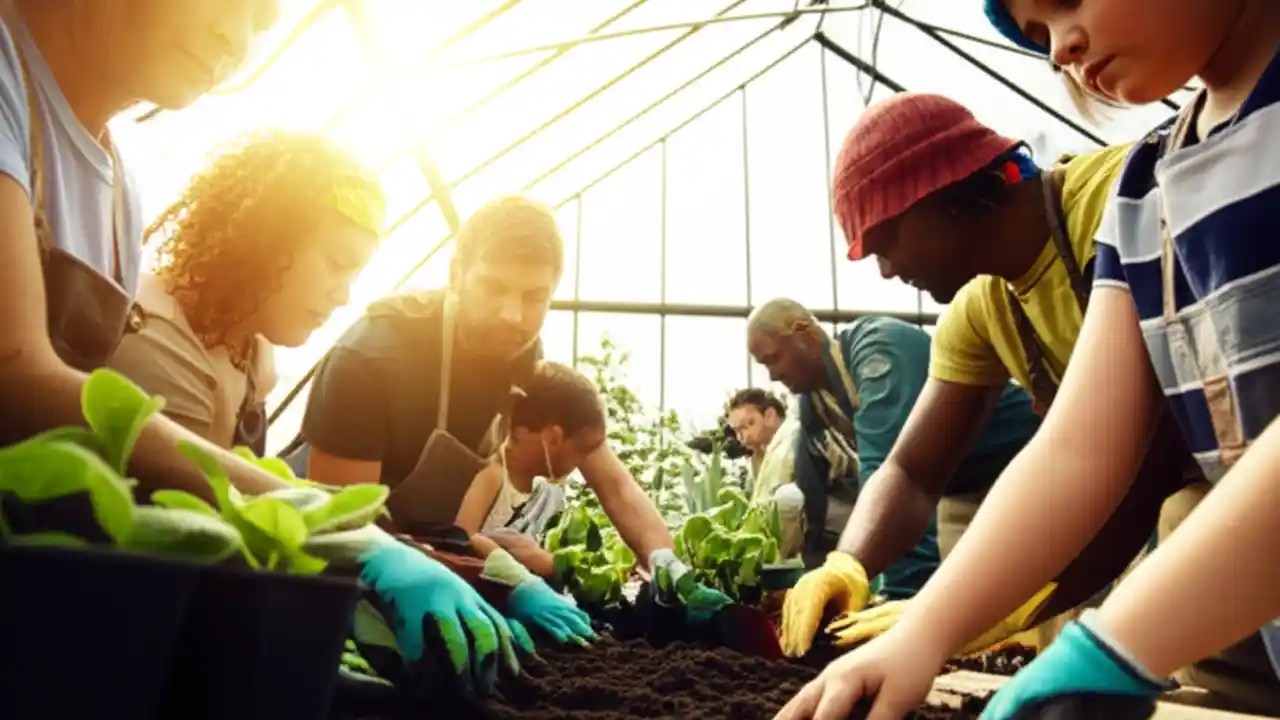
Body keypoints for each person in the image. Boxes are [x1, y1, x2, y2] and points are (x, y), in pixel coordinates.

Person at [0, 1, 534, 695]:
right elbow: (19, 375)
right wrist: (340, 536)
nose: (238, 37)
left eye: (262, 19)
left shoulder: (116, 181)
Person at [775, 0, 1280, 717]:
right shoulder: (1145, 190)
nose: (1058, 51)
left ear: (942, 190)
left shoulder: (1104, 193)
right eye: (1037, 32)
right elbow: (1068, 452)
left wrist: (1101, 639)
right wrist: (907, 609)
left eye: (1066, 1)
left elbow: (1145, 467)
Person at [777, 93, 1199, 666]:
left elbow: (1146, 453)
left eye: (887, 240)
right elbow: (912, 471)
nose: (887, 269)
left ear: (943, 190)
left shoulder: (1119, 203)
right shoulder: (982, 307)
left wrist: (978, 604)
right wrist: (847, 565)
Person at [297, 195, 734, 621]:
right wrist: (505, 580)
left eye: (534, 296)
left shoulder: (517, 355)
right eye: (493, 287)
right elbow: (337, 530)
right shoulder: (373, 359)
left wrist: (666, 563)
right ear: (456, 274)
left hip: (424, 570)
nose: (513, 314)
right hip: (323, 578)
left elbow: (611, 479)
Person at [746, 298, 1040, 614]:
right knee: (972, 616)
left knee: (1038, 608)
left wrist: (901, 600)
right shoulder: (815, 405)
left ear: (804, 334)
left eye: (773, 359)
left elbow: (895, 477)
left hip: (1029, 469)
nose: (772, 376)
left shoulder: (878, 351)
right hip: (959, 489)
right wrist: (821, 587)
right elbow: (815, 502)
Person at [109, 129, 385, 454]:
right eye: (338, 264)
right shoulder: (159, 346)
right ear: (269, 242)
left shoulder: (252, 348)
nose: (343, 296)